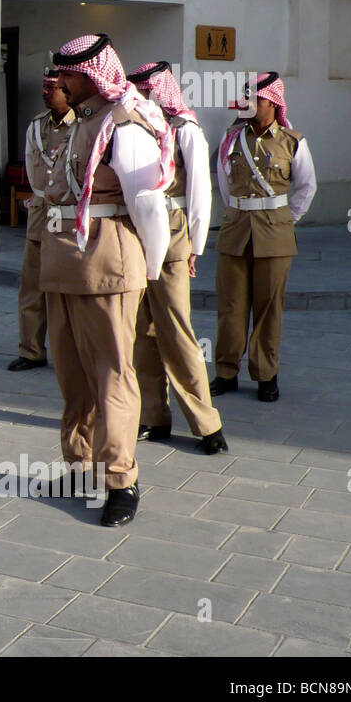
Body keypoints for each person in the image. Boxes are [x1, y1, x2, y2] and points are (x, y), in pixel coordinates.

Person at [41, 34, 172, 526]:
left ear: (93, 74)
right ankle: (79, 464)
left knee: (113, 374)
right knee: (72, 373)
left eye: (69, 74)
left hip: (107, 262)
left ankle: (121, 479)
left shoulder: (123, 124)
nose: (60, 82)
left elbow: (147, 203)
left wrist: (151, 266)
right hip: (64, 261)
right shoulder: (82, 122)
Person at [127, 62, 228, 454]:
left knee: (177, 331)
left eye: (147, 88)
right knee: (142, 332)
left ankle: (206, 423)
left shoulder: (185, 130)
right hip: (137, 237)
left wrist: (196, 247)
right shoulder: (136, 127)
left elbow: (200, 194)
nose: (141, 95)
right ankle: (153, 416)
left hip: (171, 237)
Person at [211, 72, 316, 402]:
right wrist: (240, 210)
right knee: (231, 307)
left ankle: (266, 374)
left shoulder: (292, 141)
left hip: (275, 235)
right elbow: (224, 183)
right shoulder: (231, 139)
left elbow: (307, 187)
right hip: (235, 232)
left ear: (271, 102)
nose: (246, 106)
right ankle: (226, 371)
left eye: (253, 100)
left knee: (269, 307)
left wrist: (285, 219)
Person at [9, 68, 73, 371]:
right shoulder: (36, 126)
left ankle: (68, 351)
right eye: (44, 86)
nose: (46, 92)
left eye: (53, 87)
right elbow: (33, 168)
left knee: (65, 290)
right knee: (32, 287)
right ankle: (30, 350)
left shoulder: (85, 124)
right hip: (40, 213)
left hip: (71, 216)